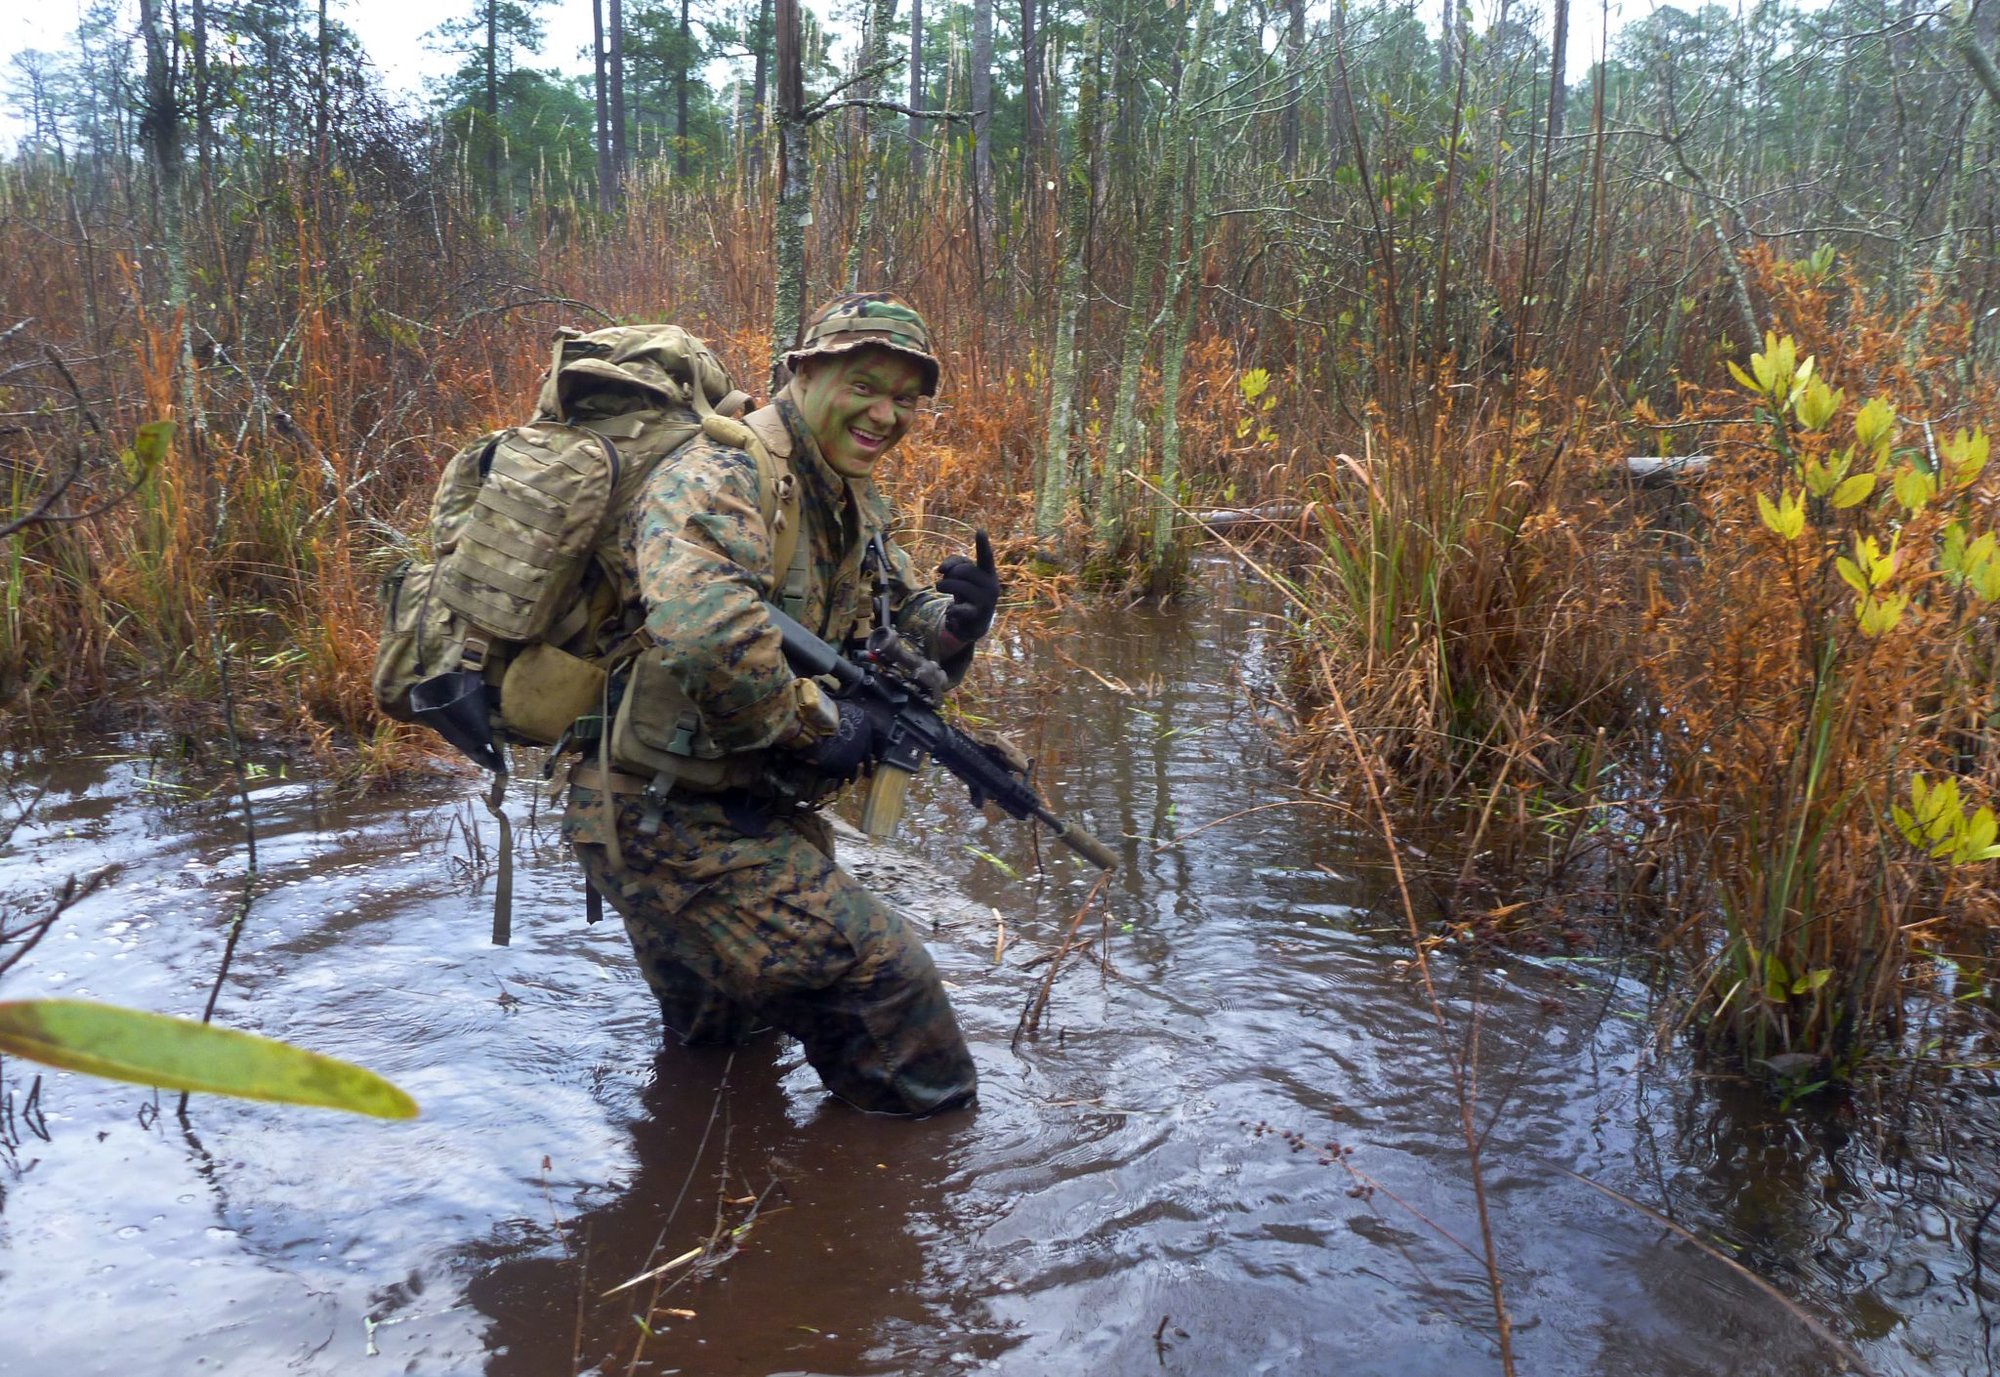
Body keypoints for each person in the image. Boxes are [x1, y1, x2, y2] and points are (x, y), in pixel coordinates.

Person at [562, 293, 999, 1116]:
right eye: (866, 385)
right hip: (667, 821)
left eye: (906, 400)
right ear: (804, 371)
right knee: (888, 988)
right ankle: (925, 1200)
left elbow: (895, 621)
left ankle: (718, 1217)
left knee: (724, 1057)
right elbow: (703, 631)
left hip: (721, 812)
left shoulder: (849, 495)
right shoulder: (724, 471)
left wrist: (958, 625)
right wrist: (825, 729)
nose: (886, 414)